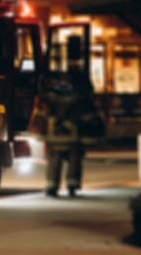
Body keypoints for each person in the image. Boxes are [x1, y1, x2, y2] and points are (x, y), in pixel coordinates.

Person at [31, 69, 103, 197]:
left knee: (54, 162)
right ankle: (72, 186)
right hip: (73, 137)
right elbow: (88, 117)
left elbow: (41, 116)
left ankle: (51, 187)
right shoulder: (80, 99)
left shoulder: (48, 98)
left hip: (54, 136)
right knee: (74, 162)